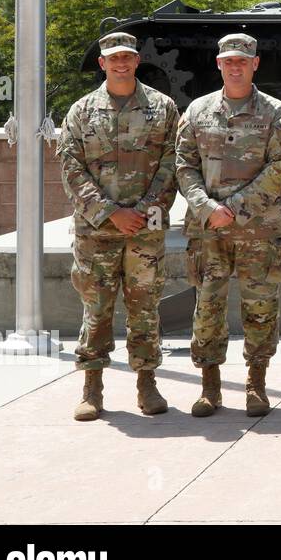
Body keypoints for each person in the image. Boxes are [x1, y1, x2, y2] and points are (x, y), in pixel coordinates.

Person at [59, 31, 180, 420]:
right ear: (102, 63)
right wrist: (111, 211)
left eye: (127, 56)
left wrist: (143, 211)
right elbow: (71, 168)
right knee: (97, 308)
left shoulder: (162, 108)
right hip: (96, 231)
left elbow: (173, 163)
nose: (121, 63)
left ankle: (147, 384)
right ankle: (92, 387)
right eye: (113, 58)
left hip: (146, 227)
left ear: (136, 60)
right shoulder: (81, 111)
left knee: (145, 308)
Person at [176, 33, 281, 417]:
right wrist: (207, 207)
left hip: (258, 230)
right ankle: (210, 387)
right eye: (228, 60)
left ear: (255, 63)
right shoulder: (197, 111)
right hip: (209, 229)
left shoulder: (276, 113)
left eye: (242, 61)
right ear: (218, 64)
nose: (235, 66)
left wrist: (235, 206)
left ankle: (256, 384)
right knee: (207, 308)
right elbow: (183, 166)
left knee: (260, 308)